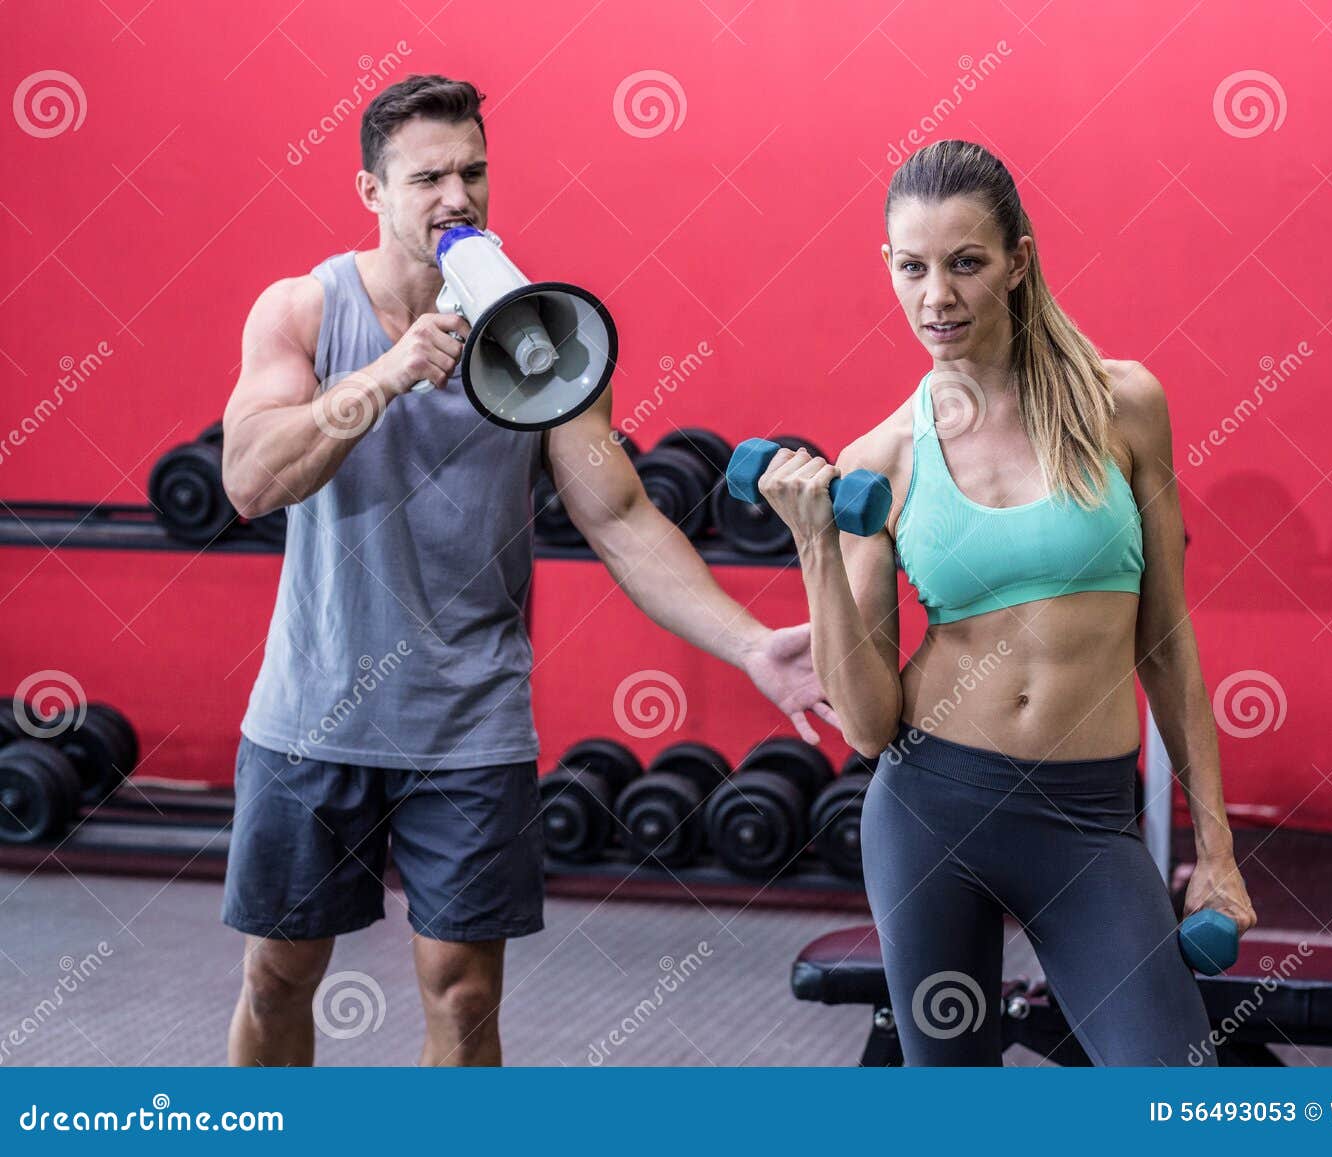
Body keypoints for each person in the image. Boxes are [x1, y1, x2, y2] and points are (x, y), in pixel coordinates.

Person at [217, 74, 836, 1067]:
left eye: (473, 172)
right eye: (427, 177)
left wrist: (750, 641)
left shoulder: (539, 337)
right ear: (371, 191)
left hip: (469, 719)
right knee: (277, 977)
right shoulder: (300, 310)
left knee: (463, 997)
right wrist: (384, 374)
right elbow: (249, 479)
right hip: (313, 710)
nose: (457, 196)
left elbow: (622, 517)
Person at [757, 139, 1256, 1066]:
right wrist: (817, 546)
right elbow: (867, 726)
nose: (936, 296)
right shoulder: (883, 458)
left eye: (966, 263)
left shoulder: (1124, 405)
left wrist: (1215, 846)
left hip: (1085, 816)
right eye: (913, 268)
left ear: (1019, 260)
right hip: (932, 807)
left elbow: (1167, 640)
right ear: (888, 268)